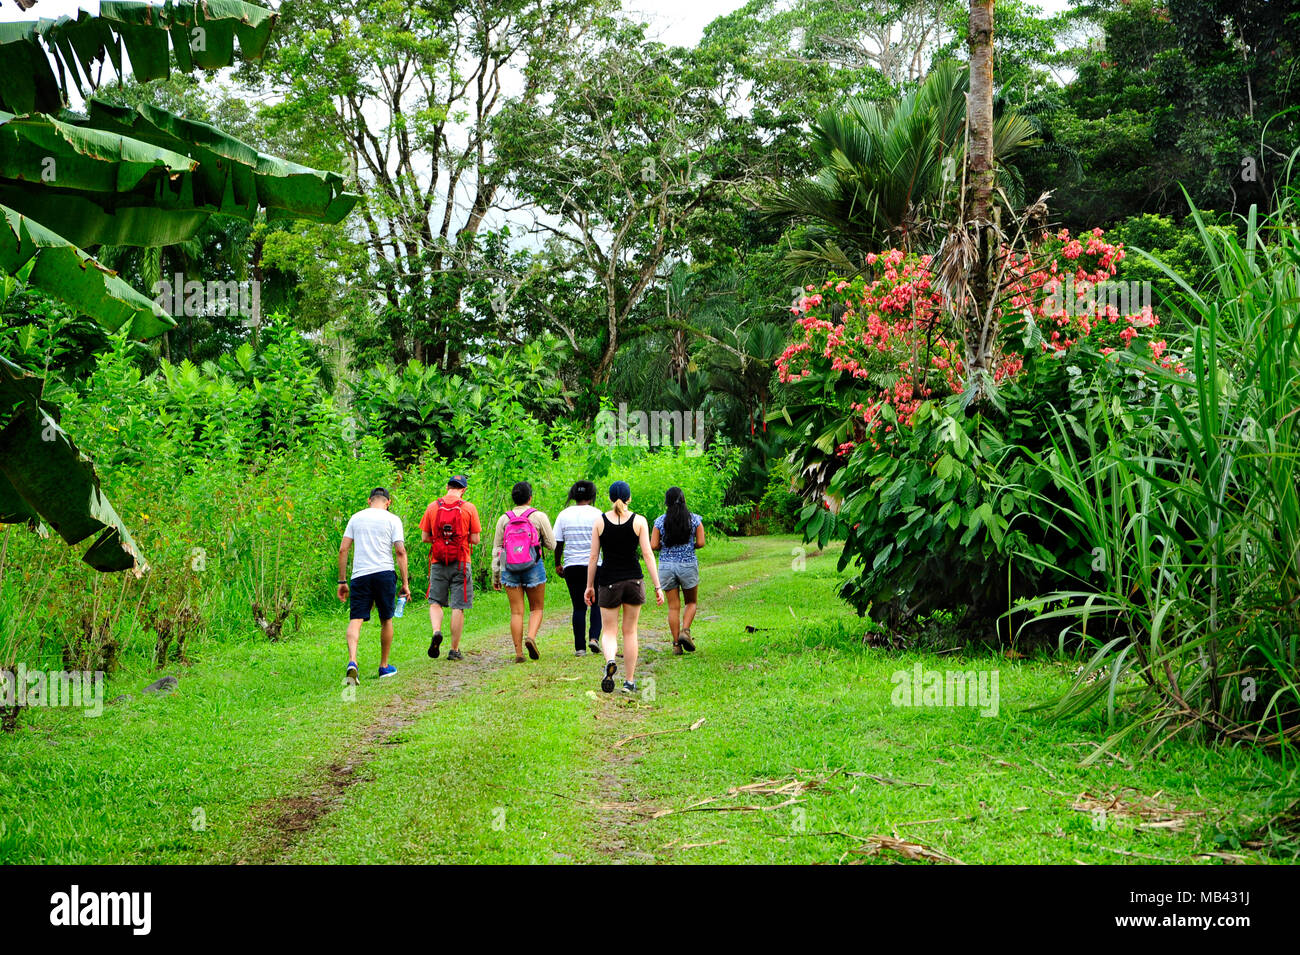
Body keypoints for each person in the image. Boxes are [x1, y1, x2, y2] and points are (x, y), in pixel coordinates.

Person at [584, 480, 664, 694]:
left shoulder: (599, 522)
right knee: (630, 632)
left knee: (609, 631)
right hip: (634, 581)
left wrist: (589, 585)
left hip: (608, 581)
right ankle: (629, 682)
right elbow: (647, 554)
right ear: (629, 499)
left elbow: (593, 557)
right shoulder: (640, 521)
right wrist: (658, 586)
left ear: (610, 499)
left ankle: (610, 659)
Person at [338, 487, 412, 684]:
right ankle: (384, 666)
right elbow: (400, 552)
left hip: (360, 575)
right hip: (384, 573)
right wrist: (405, 583)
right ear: (388, 503)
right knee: (386, 619)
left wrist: (342, 581)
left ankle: (352, 662)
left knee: (356, 618)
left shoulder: (356, 518)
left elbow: (343, 549)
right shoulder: (393, 519)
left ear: (369, 500)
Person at [491, 481, 556, 663]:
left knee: (516, 613)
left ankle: (519, 653)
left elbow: (498, 550)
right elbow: (552, 545)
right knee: (536, 608)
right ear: (530, 497)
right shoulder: (538, 516)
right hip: (533, 566)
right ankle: (531, 637)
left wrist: (497, 575)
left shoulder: (504, 519)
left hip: (510, 569)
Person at [420, 475, 481, 662]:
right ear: (464, 490)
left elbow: (424, 537)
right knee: (458, 606)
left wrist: (440, 541)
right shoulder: (468, 508)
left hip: (438, 561)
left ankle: (437, 631)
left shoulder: (432, 507)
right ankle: (454, 650)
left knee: (436, 602)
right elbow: (475, 540)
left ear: (447, 487)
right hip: (461, 561)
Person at [650, 486, 706, 655]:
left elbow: (653, 545)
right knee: (691, 602)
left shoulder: (660, 521)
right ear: (684, 500)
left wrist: (664, 547)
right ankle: (685, 631)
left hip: (666, 566)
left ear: (666, 502)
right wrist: (690, 546)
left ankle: (676, 645)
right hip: (687, 564)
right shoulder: (695, 520)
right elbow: (701, 542)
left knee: (673, 607)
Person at [553, 480, 603, 656]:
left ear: (573, 495)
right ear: (591, 495)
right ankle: (594, 638)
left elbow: (558, 542)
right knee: (597, 604)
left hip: (572, 565)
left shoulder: (563, 515)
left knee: (579, 607)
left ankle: (579, 648)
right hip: (595, 564)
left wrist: (557, 563)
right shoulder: (598, 514)